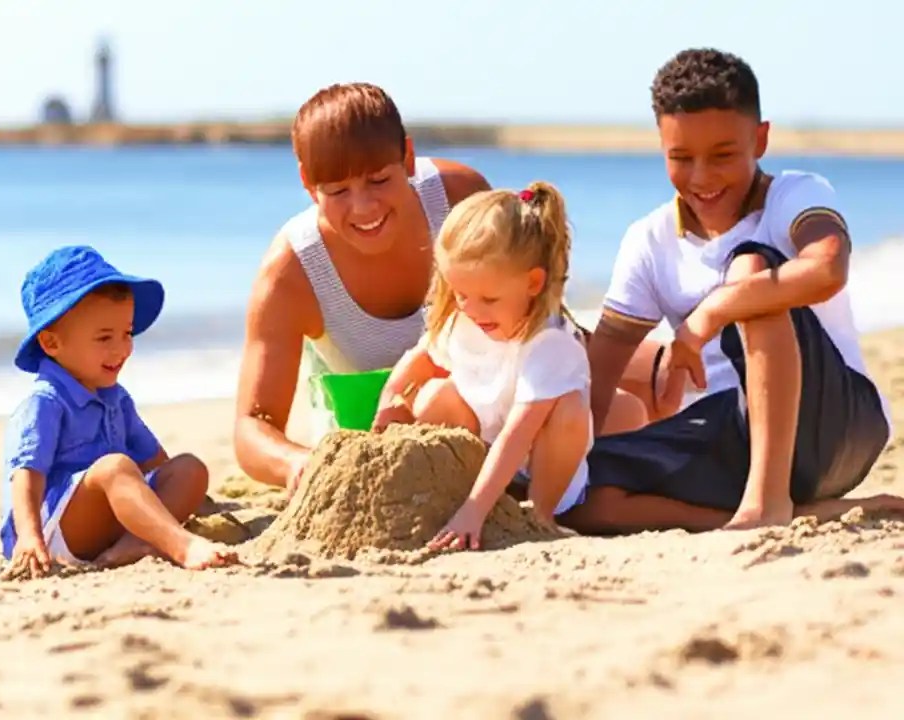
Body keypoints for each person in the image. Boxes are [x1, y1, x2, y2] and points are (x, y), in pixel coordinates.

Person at [571, 48, 903, 534]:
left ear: (760, 139)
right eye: (681, 158)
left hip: (836, 426)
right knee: (582, 496)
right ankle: (790, 513)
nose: (702, 177)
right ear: (661, 146)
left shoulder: (794, 195)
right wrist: (577, 456)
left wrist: (713, 312)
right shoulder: (650, 239)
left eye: (723, 155)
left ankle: (768, 501)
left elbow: (828, 268)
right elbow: (602, 368)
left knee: (749, 269)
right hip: (726, 434)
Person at [233, 82, 492, 495]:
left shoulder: (459, 200)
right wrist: (300, 465)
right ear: (307, 182)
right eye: (336, 191)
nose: (364, 208)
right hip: (372, 461)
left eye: (379, 180)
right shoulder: (292, 273)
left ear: (407, 157)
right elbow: (251, 427)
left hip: (486, 425)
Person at [374, 182, 644, 549]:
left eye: (488, 298)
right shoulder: (467, 316)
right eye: (460, 293)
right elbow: (418, 360)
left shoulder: (550, 343)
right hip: (483, 451)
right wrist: (389, 404)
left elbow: (519, 434)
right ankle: (462, 494)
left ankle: (539, 518)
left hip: (540, 465)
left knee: (569, 409)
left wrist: (475, 508)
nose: (470, 308)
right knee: (432, 396)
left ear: (533, 283)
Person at [0, 245, 238, 577]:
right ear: (52, 343)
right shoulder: (46, 402)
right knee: (115, 467)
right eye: (104, 337)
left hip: (114, 519)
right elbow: (26, 475)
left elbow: (155, 460)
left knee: (188, 469)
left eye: (126, 333)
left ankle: (133, 545)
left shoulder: (116, 398)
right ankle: (180, 544)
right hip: (56, 532)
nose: (121, 348)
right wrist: (28, 535)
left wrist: (188, 496)